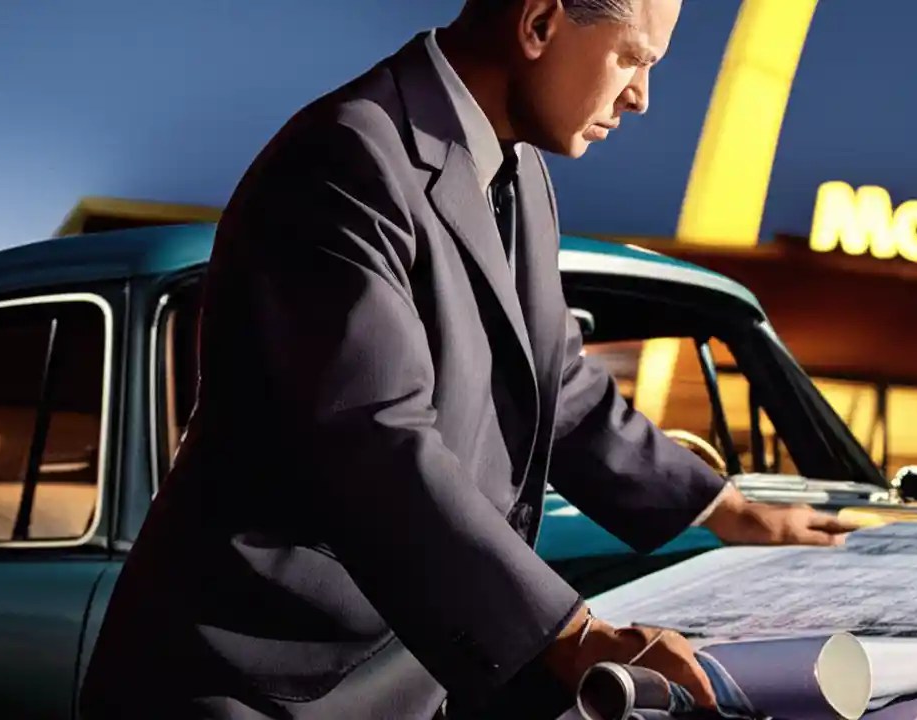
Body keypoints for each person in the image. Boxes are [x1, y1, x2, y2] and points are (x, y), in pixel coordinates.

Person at [80, 1, 858, 717]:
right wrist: (575, 632)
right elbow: (374, 444)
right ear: (541, 24)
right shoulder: (344, 160)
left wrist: (731, 511)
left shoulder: (522, 176)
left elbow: (560, 384)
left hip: (404, 669)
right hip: (256, 682)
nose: (641, 98)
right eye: (631, 58)